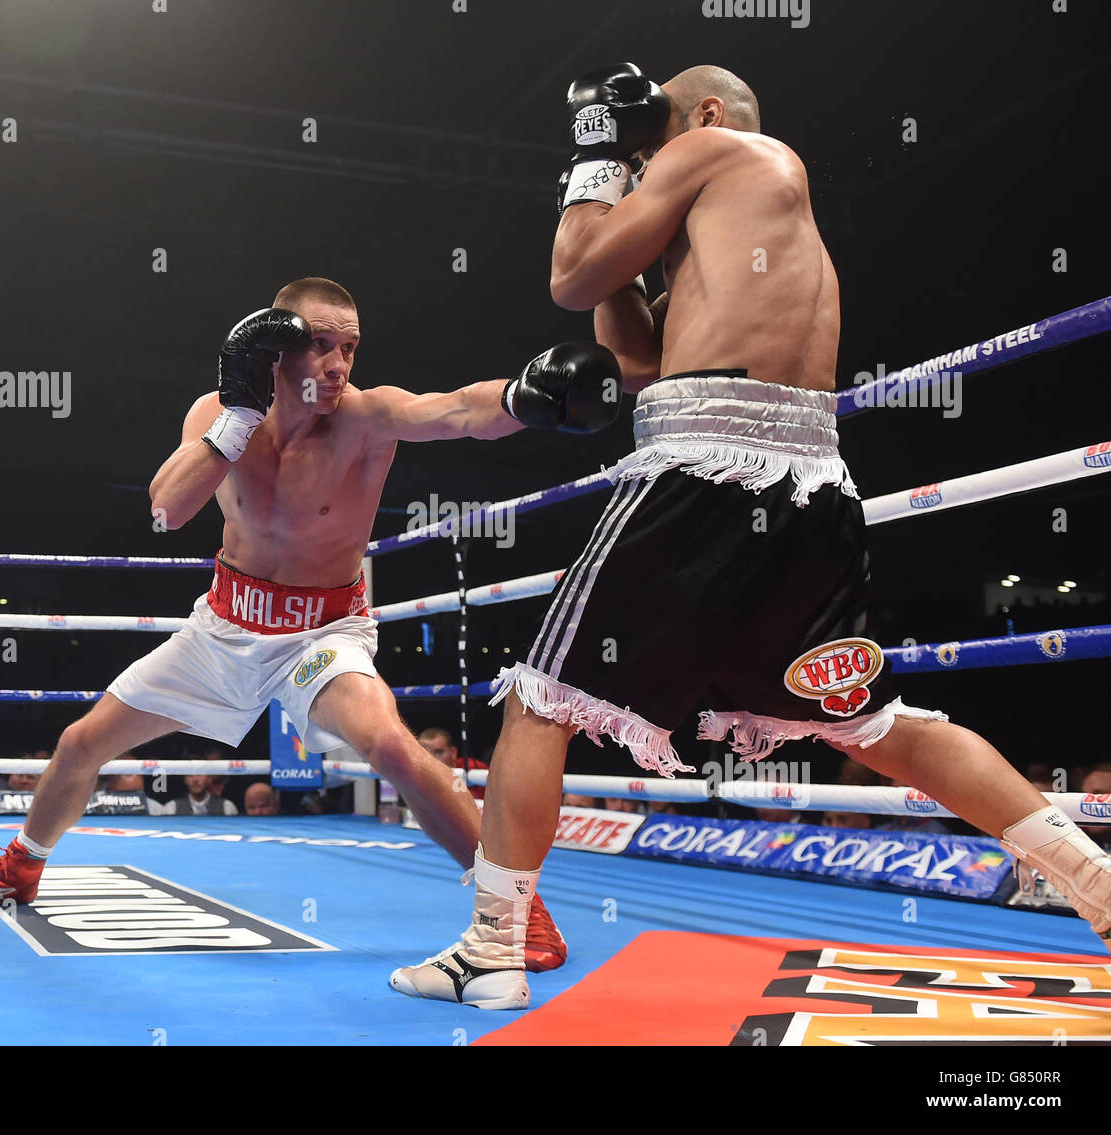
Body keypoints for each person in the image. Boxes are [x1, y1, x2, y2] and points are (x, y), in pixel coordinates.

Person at [390, 63, 1111, 1010]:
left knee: (541, 700)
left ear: (704, 115)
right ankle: (1098, 882)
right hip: (811, 487)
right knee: (878, 726)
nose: (647, 165)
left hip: (707, 467)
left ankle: (490, 946)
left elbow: (569, 276)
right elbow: (637, 354)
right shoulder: (757, 211)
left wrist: (596, 159)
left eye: (655, 145)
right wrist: (623, 256)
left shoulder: (721, 146)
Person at [0, 277, 620, 974]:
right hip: (223, 626)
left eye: (349, 347)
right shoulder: (219, 414)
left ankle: (517, 913)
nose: (339, 364)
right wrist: (238, 416)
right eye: (320, 345)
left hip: (322, 635)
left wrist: (526, 398)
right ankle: (20, 867)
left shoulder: (366, 417)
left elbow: (455, 410)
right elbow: (167, 508)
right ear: (275, 348)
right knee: (80, 742)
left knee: (394, 749)